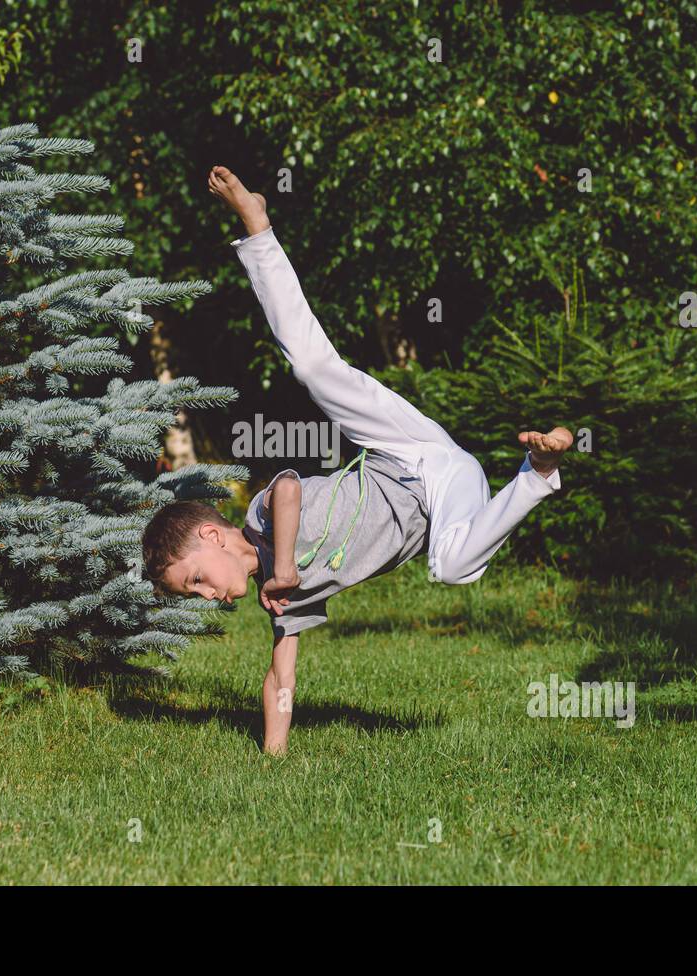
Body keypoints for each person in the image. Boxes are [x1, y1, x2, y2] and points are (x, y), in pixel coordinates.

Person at [143, 166, 572, 754]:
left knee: (315, 368)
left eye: (195, 578)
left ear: (215, 537)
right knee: (454, 567)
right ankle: (538, 473)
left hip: (403, 451)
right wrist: (273, 756)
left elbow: (289, 487)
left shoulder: (264, 518)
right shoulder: (279, 599)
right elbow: (280, 678)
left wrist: (286, 564)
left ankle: (257, 227)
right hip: (447, 499)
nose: (204, 595)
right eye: (191, 594)